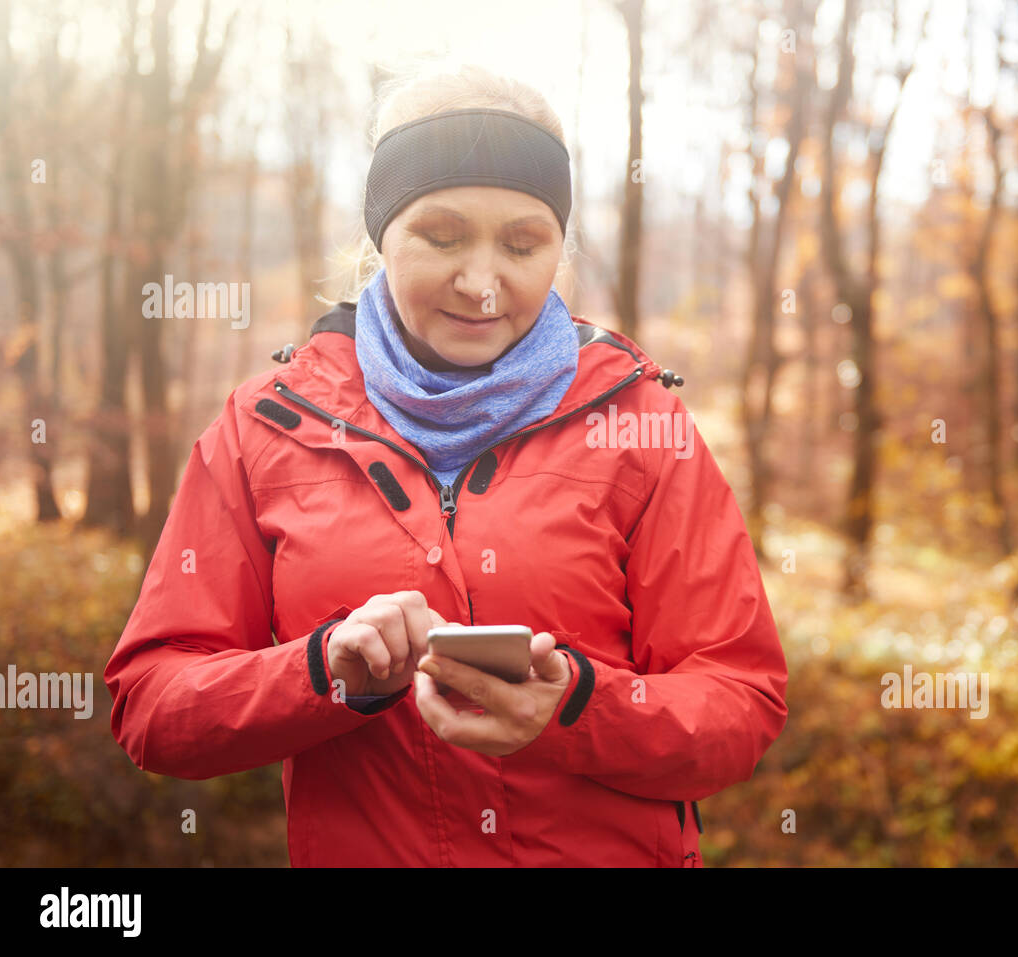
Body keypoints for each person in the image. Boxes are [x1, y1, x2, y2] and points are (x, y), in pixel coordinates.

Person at [104, 63, 788, 867]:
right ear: (380, 236)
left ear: (558, 247)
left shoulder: (640, 426)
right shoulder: (264, 428)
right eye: (442, 235)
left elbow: (740, 703)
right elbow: (153, 706)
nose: (481, 282)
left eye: (523, 243)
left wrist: (576, 707)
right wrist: (321, 669)